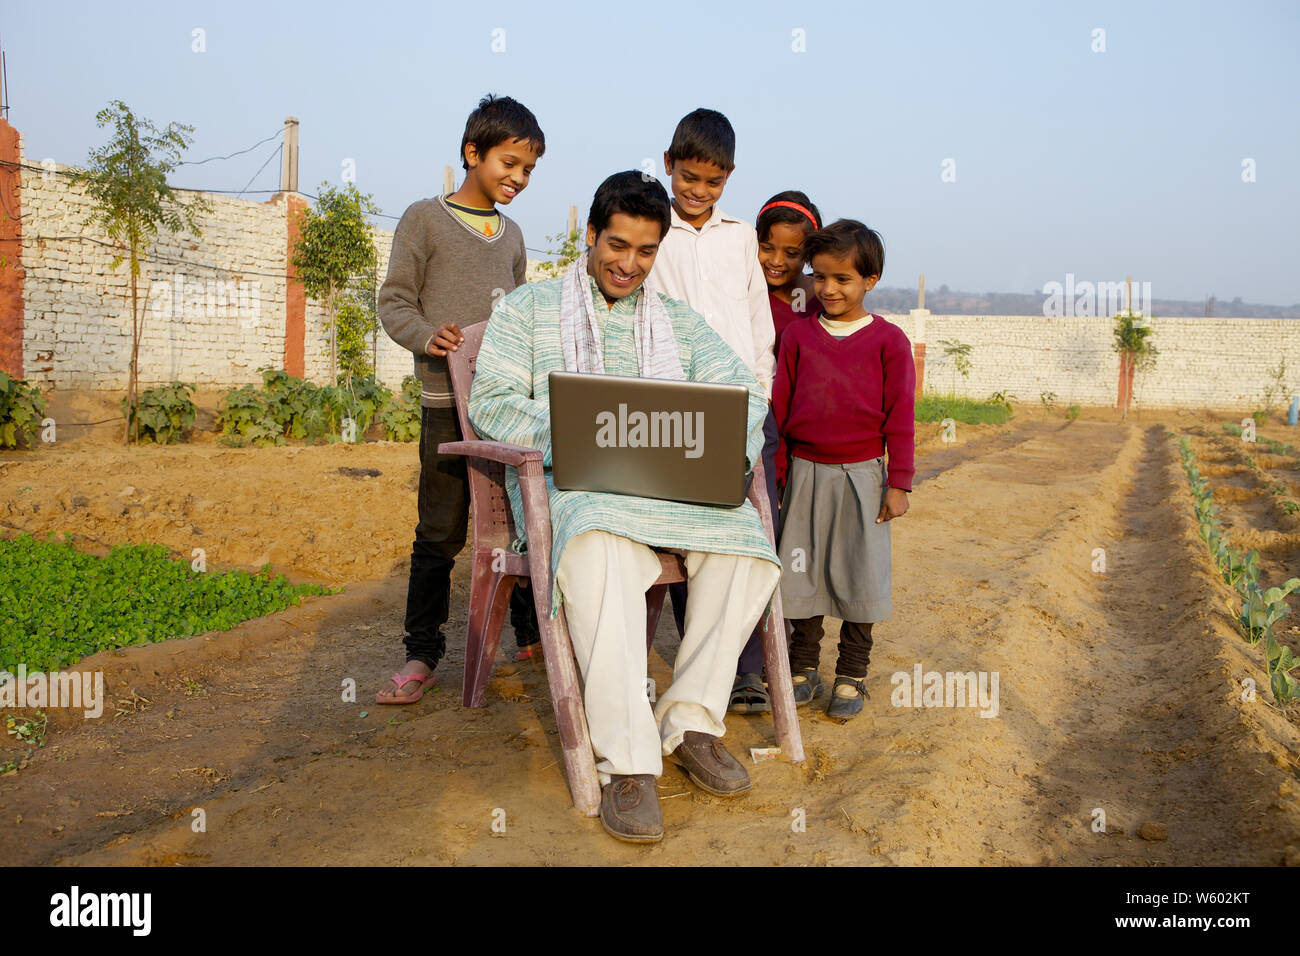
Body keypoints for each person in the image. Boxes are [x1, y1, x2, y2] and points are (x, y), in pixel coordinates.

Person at [468, 171, 781, 843]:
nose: (628, 264)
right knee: (596, 553)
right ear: (590, 235)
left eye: (645, 252)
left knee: (748, 549)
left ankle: (691, 721)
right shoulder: (528, 309)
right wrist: (586, 429)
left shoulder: (678, 323)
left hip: (670, 492)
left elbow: (746, 395)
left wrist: (724, 443)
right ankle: (629, 765)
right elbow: (490, 403)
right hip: (577, 492)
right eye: (616, 245)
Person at [374, 94, 546, 705]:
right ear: (472, 153)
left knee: (520, 527)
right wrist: (428, 335)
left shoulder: (514, 235)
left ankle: (529, 638)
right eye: (509, 163)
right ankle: (421, 654)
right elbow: (393, 302)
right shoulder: (424, 219)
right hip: (446, 404)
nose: (518, 179)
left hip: (506, 410)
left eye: (528, 170)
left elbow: (522, 318)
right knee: (440, 531)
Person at [646, 108, 778, 715]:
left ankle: (748, 671)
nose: (699, 191)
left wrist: (760, 391)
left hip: (743, 410)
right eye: (689, 176)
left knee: (745, 535)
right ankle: (704, 666)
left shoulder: (739, 236)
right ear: (669, 164)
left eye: (713, 182)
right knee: (690, 534)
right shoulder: (652, 232)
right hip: (677, 411)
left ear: (728, 180)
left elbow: (757, 321)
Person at [772, 219, 915, 719]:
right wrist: (781, 472)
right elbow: (781, 410)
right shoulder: (797, 338)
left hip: (864, 476)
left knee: (861, 575)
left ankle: (852, 674)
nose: (829, 289)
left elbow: (901, 418)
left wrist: (899, 483)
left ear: (870, 281)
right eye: (820, 277)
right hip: (806, 472)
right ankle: (802, 666)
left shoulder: (889, 342)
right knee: (801, 572)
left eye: (843, 279)